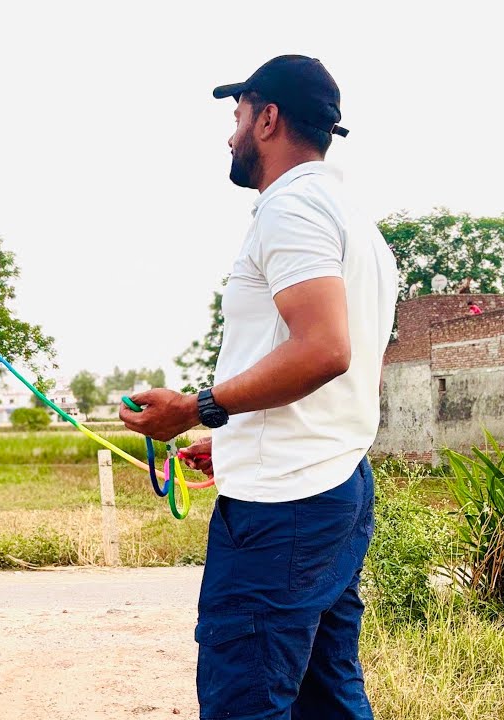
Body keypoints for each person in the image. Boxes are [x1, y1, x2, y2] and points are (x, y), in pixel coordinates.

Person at [120, 55, 397, 718]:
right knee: (328, 696)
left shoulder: (291, 210)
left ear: (267, 118)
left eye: (237, 116)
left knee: (244, 698)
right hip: (334, 486)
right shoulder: (353, 219)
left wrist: (199, 408)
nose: (230, 135)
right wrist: (238, 436)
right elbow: (337, 363)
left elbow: (325, 350)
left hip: (284, 511)